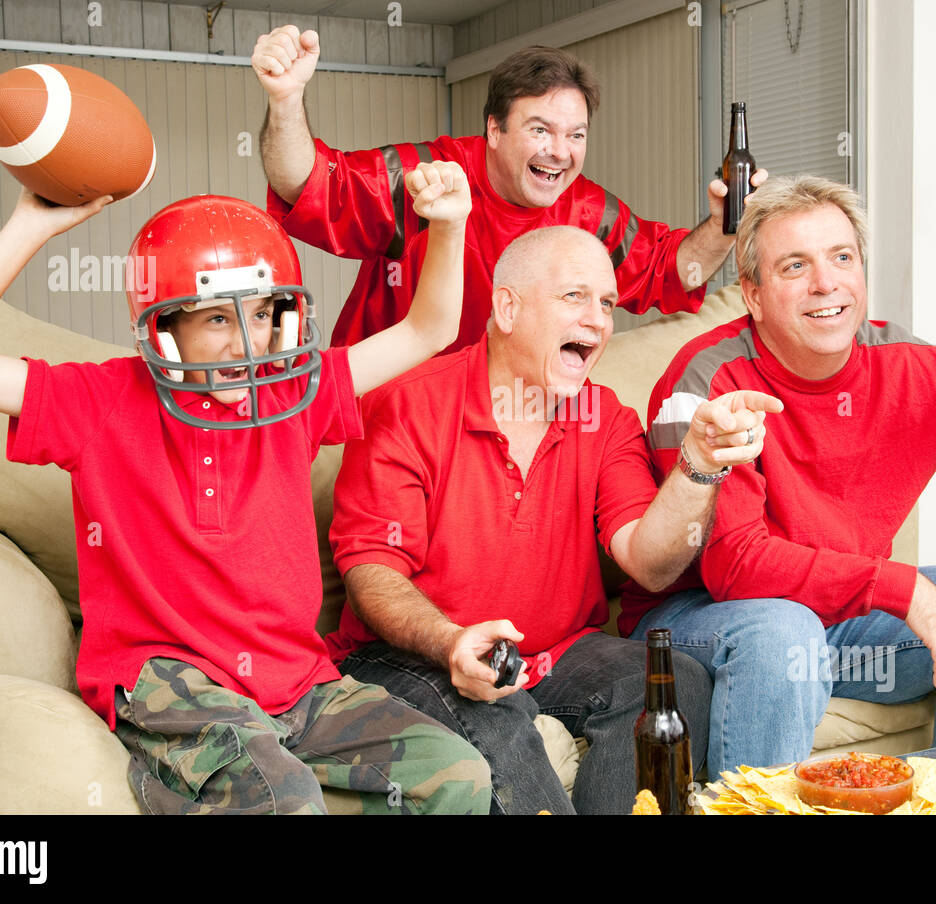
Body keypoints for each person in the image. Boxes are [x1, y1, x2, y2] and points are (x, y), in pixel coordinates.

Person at [0, 161, 495, 815]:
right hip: (168, 678)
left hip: (294, 680)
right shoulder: (98, 400)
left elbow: (429, 329)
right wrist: (28, 225)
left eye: (264, 313)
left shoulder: (294, 391)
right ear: (164, 326)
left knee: (460, 775)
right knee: (283, 798)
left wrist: (449, 225)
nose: (248, 342)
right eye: (217, 320)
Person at [624, 175, 936, 776]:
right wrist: (904, 590)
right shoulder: (705, 383)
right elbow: (738, 566)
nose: (827, 282)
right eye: (795, 266)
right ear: (753, 293)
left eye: (842, 257)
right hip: (702, 620)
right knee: (783, 631)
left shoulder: (913, 367)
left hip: (838, 620)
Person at [325, 225, 783, 814]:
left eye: (608, 303)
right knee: (497, 710)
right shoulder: (408, 406)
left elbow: (650, 563)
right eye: (574, 296)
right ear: (507, 307)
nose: (597, 320)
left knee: (674, 682)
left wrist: (698, 466)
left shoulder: (606, 418)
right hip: (412, 654)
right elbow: (372, 576)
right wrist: (452, 642)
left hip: (556, 651)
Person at [252, 25, 764, 352]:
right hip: (386, 421)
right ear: (493, 130)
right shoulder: (427, 174)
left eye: (576, 135)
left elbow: (671, 271)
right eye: (540, 130)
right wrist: (285, 100)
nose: (560, 151)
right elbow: (306, 181)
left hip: (507, 430)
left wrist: (723, 223)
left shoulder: (586, 209)